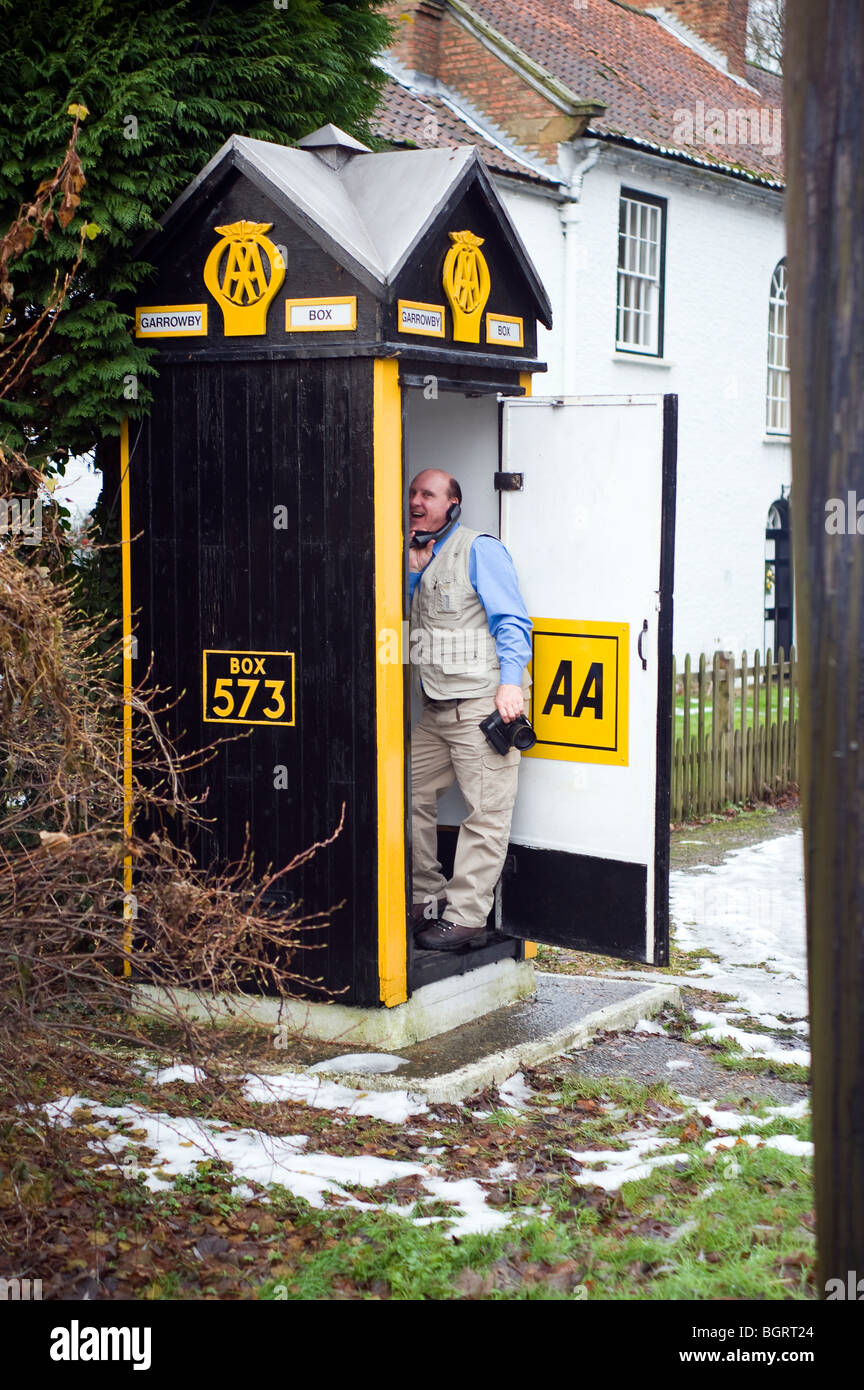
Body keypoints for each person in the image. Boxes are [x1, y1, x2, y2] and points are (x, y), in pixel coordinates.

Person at [407, 468, 532, 951]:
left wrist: (509, 685)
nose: (417, 500)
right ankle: (425, 897)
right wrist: (414, 570)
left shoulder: (480, 550)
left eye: (429, 494)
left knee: (486, 813)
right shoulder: (416, 557)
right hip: (435, 710)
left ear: (453, 503)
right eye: (413, 492)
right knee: (403, 794)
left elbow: (512, 622)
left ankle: (465, 917)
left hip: (482, 706)